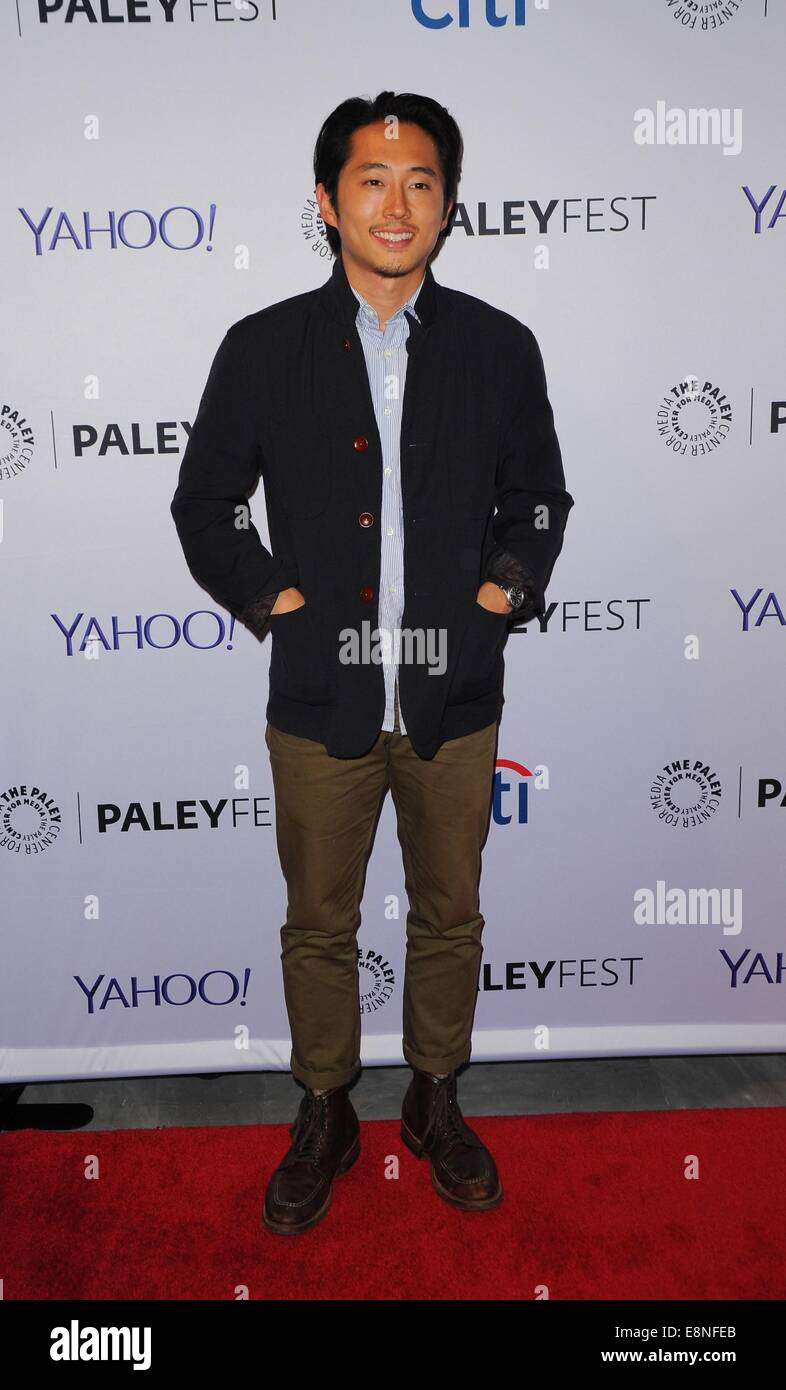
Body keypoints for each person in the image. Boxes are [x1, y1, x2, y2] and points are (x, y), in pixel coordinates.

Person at [170, 90, 574, 1236]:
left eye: (422, 182)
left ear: (447, 204)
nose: (397, 205)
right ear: (326, 200)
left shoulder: (501, 346)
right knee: (319, 921)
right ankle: (325, 1104)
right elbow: (205, 506)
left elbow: (539, 499)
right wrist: (280, 608)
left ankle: (436, 1097)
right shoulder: (261, 347)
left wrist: (494, 605)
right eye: (372, 180)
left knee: (451, 912)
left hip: (456, 693)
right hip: (320, 697)